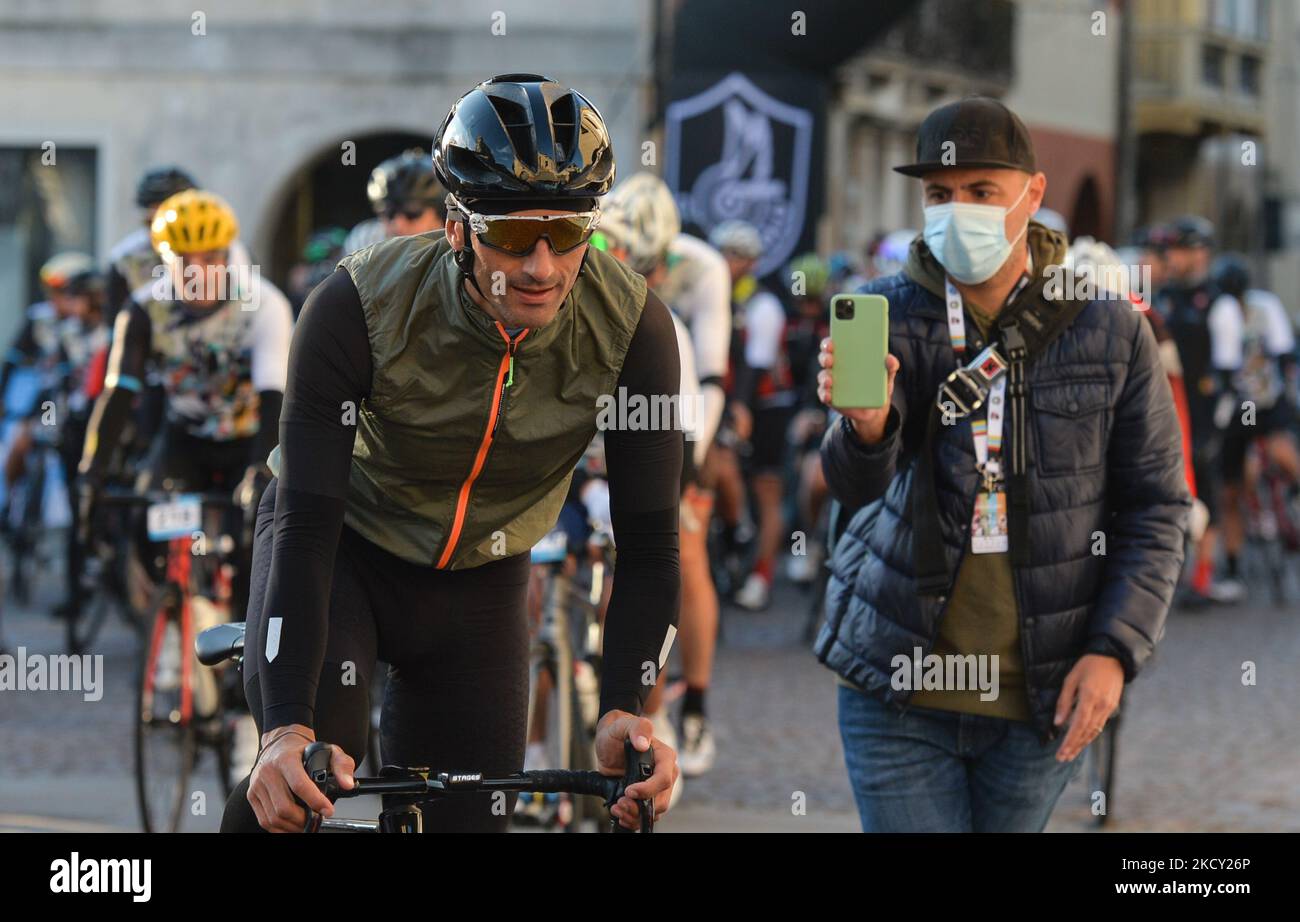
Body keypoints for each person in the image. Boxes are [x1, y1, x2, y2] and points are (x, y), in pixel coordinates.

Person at [220, 74, 680, 833]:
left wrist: (625, 711)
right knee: (298, 789)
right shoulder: (355, 307)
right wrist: (284, 728)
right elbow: (304, 527)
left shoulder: (635, 330)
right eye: (509, 233)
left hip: (482, 578)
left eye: (567, 233)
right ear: (458, 226)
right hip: (344, 553)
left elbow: (652, 543)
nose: (539, 265)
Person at [816, 96, 1189, 832]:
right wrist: (864, 430)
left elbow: (1156, 506)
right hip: (898, 688)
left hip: (1040, 697)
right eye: (939, 196)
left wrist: (1115, 651)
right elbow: (854, 492)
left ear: (1032, 194)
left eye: (981, 192)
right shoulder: (883, 310)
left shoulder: (1107, 327)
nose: (959, 212)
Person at [79, 190, 293, 636]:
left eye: (210, 257)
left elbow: (275, 396)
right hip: (185, 439)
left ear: (227, 254)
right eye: (184, 259)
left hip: (251, 436)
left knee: (254, 542)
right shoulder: (143, 308)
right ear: (164, 258)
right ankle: (174, 610)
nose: (198, 271)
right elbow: (119, 394)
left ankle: (243, 646)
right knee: (144, 524)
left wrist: (260, 468)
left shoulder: (263, 303)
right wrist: (92, 474)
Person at [598, 171, 728, 780]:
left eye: (640, 262)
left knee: (685, 546)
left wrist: (690, 465)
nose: (626, 267)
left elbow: (710, 378)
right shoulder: (595, 258)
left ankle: (692, 703)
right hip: (609, 412)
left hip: (687, 404)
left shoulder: (702, 272)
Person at [1158, 216, 1241, 604]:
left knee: (1205, 491)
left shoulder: (1219, 304)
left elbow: (1226, 373)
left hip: (1202, 414)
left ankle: (1203, 578)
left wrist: (1215, 427)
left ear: (1201, 253)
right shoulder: (1163, 295)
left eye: (1179, 249)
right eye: (1169, 250)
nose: (1170, 257)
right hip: (1163, 410)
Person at [712, 220, 794, 611]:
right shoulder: (714, 294)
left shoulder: (763, 303)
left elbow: (755, 366)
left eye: (736, 256)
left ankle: (761, 575)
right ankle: (730, 545)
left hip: (768, 405)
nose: (728, 263)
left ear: (751, 262)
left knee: (766, 489)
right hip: (732, 400)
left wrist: (738, 408)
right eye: (725, 254)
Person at [1208, 254, 1300, 575]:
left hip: (1241, 406)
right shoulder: (1267, 304)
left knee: (1229, 488)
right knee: (1279, 443)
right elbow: (1285, 352)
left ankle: (1232, 562)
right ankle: (1292, 488)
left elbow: (1224, 367)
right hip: (1270, 399)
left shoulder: (1221, 310)